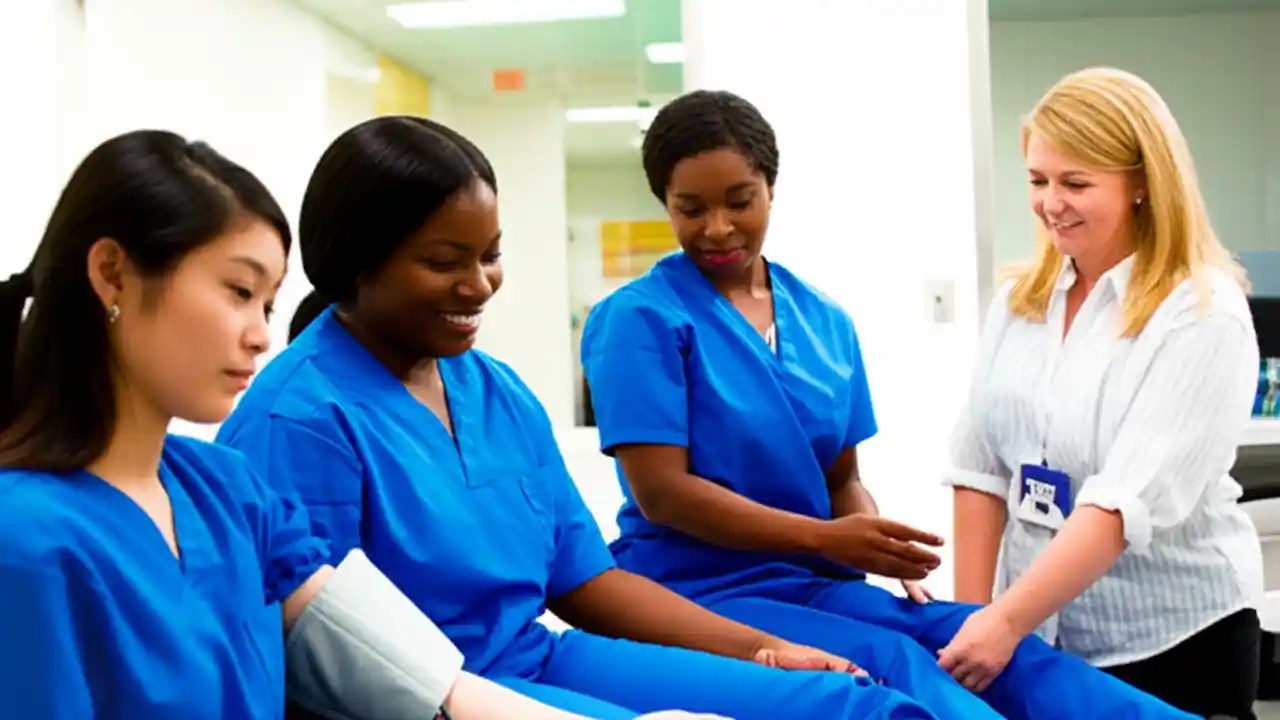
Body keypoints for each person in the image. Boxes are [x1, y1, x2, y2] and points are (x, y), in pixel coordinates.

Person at [216, 115, 941, 720]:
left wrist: (763, 651)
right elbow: (320, 655)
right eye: (443, 262)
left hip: (541, 655)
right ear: (355, 262)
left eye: (491, 255)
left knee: (847, 704)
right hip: (435, 696)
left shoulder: (493, 390)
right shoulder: (299, 419)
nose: (479, 285)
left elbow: (586, 581)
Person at [0, 129, 714, 720]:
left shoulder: (228, 490)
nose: (260, 335)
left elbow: (418, 680)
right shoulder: (27, 539)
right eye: (239, 292)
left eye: (268, 305)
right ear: (113, 274)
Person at [579, 89, 1198, 720]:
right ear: (665, 203)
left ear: (770, 189)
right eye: (691, 209)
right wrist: (830, 539)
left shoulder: (823, 321)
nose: (717, 227)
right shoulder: (640, 319)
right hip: (696, 591)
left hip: (815, 581)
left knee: (981, 641)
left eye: (740, 201)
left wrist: (877, 543)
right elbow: (664, 495)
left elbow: (841, 480)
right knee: (895, 662)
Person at [942, 67, 1264, 719]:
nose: (1050, 203)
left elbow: (1119, 506)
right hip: (1034, 639)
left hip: (1169, 643)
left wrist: (1002, 623)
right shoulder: (1019, 301)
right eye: (1038, 180)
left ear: (1142, 182)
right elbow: (979, 471)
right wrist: (968, 621)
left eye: (1076, 183)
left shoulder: (1202, 314)